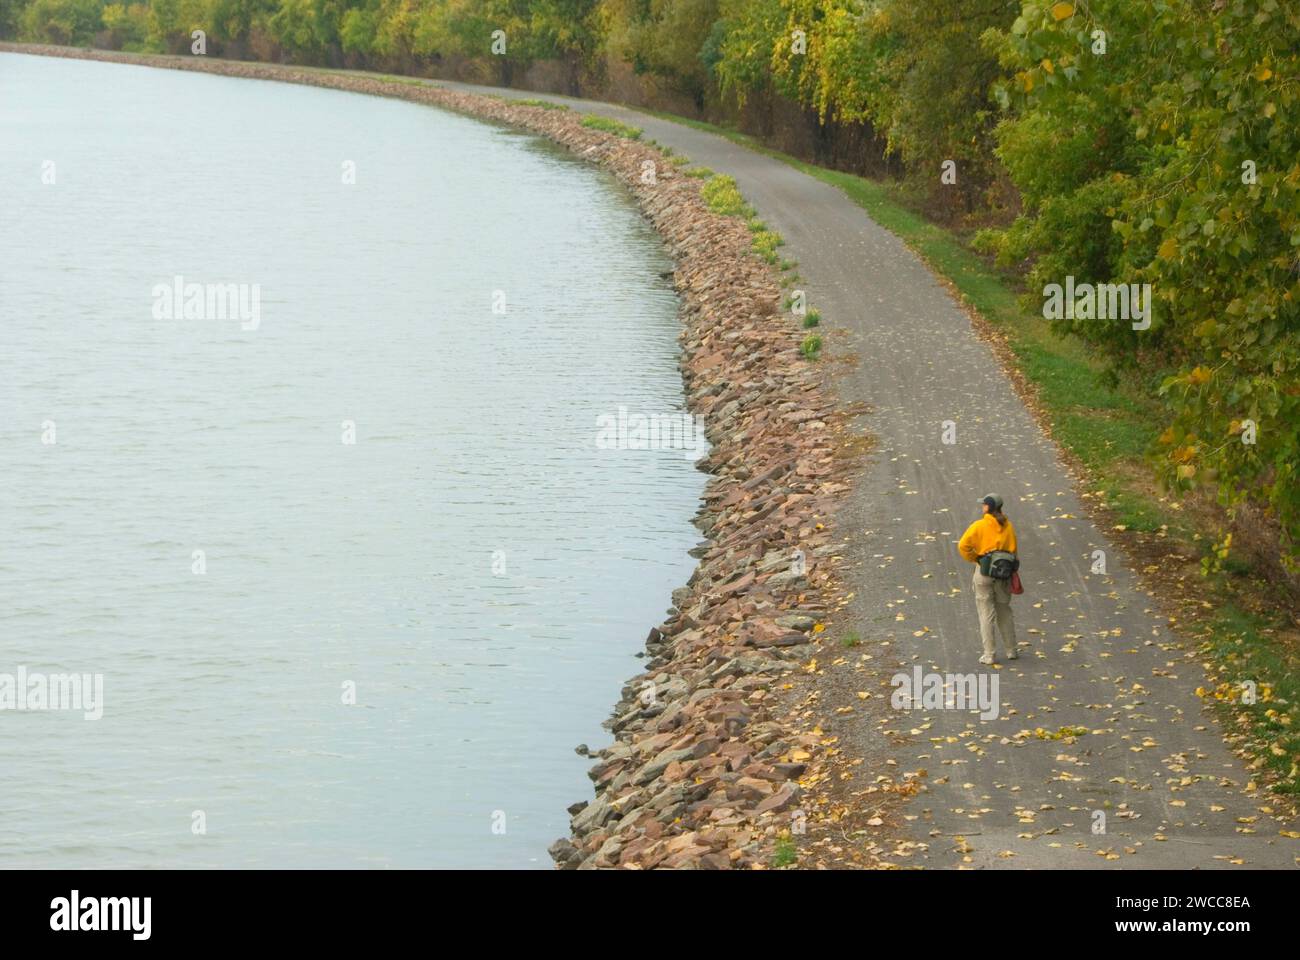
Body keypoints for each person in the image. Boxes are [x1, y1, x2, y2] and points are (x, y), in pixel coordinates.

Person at [958, 494, 1019, 664]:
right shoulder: (1009, 526)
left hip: (984, 573)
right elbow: (1014, 552)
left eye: (983, 504)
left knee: (986, 613)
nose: (982, 506)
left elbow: (963, 545)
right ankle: (1011, 650)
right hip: (1003, 574)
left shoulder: (979, 525)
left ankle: (989, 654)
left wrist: (975, 558)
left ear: (987, 508)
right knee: (1004, 611)